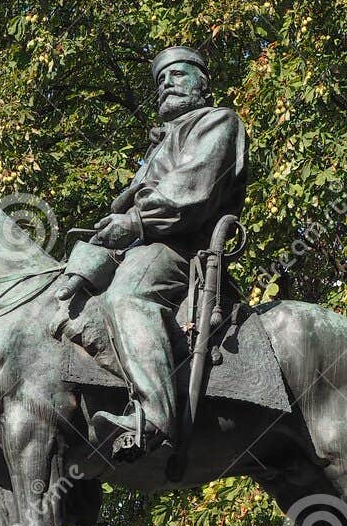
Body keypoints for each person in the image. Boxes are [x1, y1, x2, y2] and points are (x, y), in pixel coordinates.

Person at [57, 46, 247, 461]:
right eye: (161, 79)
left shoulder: (217, 121)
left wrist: (136, 221)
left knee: (128, 297)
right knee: (59, 300)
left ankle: (153, 417)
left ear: (203, 85)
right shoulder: (158, 145)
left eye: (177, 75)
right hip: (135, 244)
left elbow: (192, 191)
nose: (166, 84)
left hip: (179, 247)